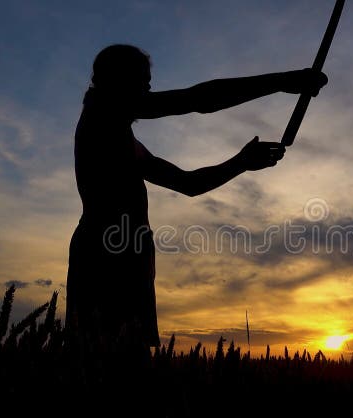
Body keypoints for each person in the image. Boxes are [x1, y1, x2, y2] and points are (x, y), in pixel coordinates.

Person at [65, 44, 327, 354]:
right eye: (143, 78)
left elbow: (187, 183)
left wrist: (241, 162)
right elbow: (198, 99)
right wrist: (283, 81)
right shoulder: (101, 116)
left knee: (123, 367)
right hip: (106, 256)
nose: (149, 86)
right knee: (101, 367)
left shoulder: (120, 136)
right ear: (117, 79)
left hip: (126, 253)